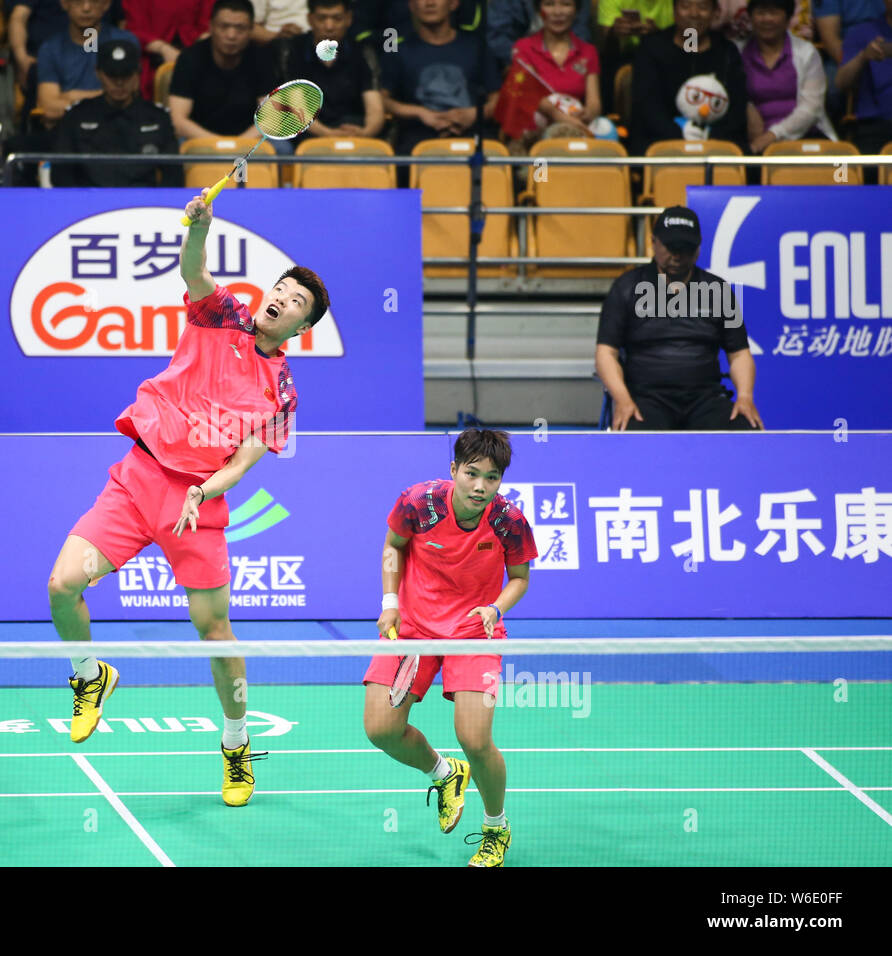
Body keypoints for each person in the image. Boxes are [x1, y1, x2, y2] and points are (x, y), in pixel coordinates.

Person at [48, 187, 329, 808]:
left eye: (297, 302)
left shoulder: (281, 390)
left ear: (303, 327)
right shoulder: (220, 314)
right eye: (281, 287)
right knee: (63, 584)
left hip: (195, 504)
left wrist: (205, 488)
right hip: (138, 478)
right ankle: (90, 678)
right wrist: (199, 225)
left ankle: (235, 744)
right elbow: (193, 269)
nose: (281, 298)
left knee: (215, 631)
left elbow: (244, 461)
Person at [363, 429, 538, 868]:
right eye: (472, 474)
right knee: (380, 729)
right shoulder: (418, 503)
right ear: (454, 470)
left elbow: (519, 578)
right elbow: (392, 547)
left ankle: (496, 827)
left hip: (474, 633)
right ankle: (444, 773)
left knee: (475, 737)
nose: (480, 487)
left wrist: (496, 609)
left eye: (492, 478)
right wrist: (390, 603)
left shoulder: (508, 522)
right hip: (415, 628)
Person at [595, 206, 764, 431]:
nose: (677, 255)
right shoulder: (626, 288)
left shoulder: (718, 290)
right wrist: (623, 400)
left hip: (706, 400)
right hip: (646, 400)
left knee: (746, 428)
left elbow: (739, 353)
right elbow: (606, 353)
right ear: (653, 242)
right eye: (670, 247)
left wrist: (745, 396)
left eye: (685, 248)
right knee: (634, 436)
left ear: (697, 249)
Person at [379, 0, 500, 180]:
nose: (429, 3)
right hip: (418, 136)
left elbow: (497, 97)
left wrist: (474, 114)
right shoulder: (398, 50)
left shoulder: (476, 46)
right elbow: (383, 100)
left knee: (499, 164)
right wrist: (420, 113)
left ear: (453, 3)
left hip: (472, 133)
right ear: (411, 5)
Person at [52, 39, 185, 186]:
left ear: (137, 74)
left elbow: (174, 176)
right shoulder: (77, 116)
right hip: (90, 202)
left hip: (143, 203)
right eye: (112, 75)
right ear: (98, 73)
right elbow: (61, 174)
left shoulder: (157, 118)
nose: (119, 83)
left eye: (126, 74)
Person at [628, 0, 750, 154]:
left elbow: (737, 108)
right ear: (674, 11)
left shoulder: (727, 52)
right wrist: (681, 134)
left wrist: (708, 136)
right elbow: (647, 107)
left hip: (716, 141)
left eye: (703, 7)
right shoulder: (652, 48)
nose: (694, 13)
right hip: (662, 140)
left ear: (715, 12)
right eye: (685, 6)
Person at [272, 0, 385, 139]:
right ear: (310, 19)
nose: (329, 26)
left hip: (352, 130)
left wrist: (366, 133)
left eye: (337, 19)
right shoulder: (291, 50)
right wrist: (328, 134)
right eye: (321, 18)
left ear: (349, 19)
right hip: (306, 132)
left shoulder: (363, 52)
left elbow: (375, 107)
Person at [169, 0, 277, 140]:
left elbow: (271, 117)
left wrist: (238, 145)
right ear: (211, 27)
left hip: (249, 138)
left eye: (240, 28)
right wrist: (220, 146)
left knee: (282, 149)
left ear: (251, 30)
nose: (231, 35)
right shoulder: (189, 58)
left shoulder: (262, 58)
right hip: (198, 138)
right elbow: (178, 121)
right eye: (224, 26)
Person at [740, 0, 837, 154]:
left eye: (774, 12)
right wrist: (747, 106)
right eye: (761, 12)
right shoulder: (739, 53)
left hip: (805, 135)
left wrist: (771, 136)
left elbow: (811, 109)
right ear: (750, 17)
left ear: (788, 17)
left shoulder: (807, 52)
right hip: (754, 142)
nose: (767, 19)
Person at [509, 0, 602, 141]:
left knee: (605, 129)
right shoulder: (523, 48)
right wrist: (559, 116)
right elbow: (530, 93)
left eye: (566, 4)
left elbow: (594, 102)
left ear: (576, 11)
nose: (558, 12)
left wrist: (588, 113)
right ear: (538, 10)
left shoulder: (588, 51)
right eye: (549, 4)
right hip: (534, 133)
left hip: (575, 126)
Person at [36, 0, 139, 124]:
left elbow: (130, 96)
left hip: (116, 128)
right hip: (68, 131)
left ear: (106, 4)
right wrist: (105, 97)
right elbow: (49, 109)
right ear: (64, 3)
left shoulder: (125, 42)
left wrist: (71, 96)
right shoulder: (50, 48)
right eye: (78, 2)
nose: (86, 8)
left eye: (94, 1)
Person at [122, 0, 213, 102]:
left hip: (196, 53)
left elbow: (208, 23)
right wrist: (163, 49)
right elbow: (135, 29)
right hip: (152, 57)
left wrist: (195, 51)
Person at [833, 0, 892, 154]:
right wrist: (863, 57)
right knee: (859, 172)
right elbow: (841, 82)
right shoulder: (861, 33)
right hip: (874, 126)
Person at [489, 0, 596, 76]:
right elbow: (497, 37)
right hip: (520, 62)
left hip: (567, 63)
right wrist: (530, 62)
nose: (557, 12)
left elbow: (581, 35)